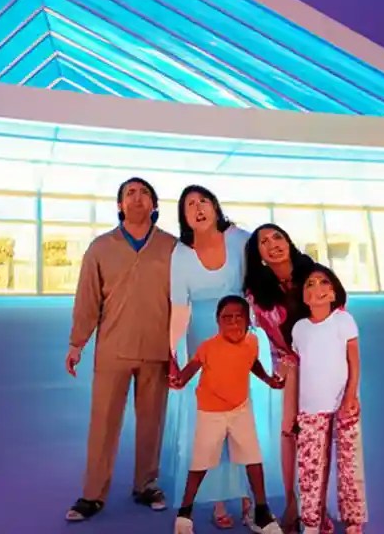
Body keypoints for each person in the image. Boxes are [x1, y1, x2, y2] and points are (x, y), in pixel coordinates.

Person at [65, 177, 177, 522]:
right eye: (130, 193)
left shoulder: (173, 248)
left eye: (145, 193)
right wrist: (76, 343)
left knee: (151, 423)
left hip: (159, 350)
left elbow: (183, 300)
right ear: (119, 205)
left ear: (155, 205)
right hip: (113, 348)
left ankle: (146, 484)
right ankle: (92, 494)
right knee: (103, 423)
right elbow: (87, 300)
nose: (138, 198)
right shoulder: (100, 248)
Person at [164, 185, 260, 529]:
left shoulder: (241, 240)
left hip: (239, 336)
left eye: (203, 200)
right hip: (202, 339)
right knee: (209, 420)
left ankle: (250, 499)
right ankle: (219, 498)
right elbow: (178, 307)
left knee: (243, 416)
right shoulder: (180, 253)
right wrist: (172, 352)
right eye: (190, 204)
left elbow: (267, 266)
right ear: (184, 217)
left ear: (216, 207)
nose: (198, 207)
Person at [169, 295, 288, 534]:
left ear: (247, 320)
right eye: (227, 318)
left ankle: (262, 510)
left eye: (238, 317)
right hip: (210, 412)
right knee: (200, 462)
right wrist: (178, 379)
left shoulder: (252, 342)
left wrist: (267, 379)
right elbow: (189, 371)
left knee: (253, 459)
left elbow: (252, 362)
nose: (233, 323)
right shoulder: (208, 347)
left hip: (240, 409)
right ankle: (185, 512)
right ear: (218, 321)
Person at [243, 223, 317, 531]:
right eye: (264, 241)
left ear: (288, 240)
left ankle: (318, 503)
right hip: (288, 367)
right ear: (258, 254)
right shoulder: (256, 293)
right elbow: (246, 332)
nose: (273, 244)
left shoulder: (314, 274)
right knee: (289, 432)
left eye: (278, 236)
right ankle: (291, 504)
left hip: (324, 366)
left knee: (319, 434)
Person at [291, 265, 367, 534]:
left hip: (344, 403)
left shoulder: (343, 320)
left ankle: (353, 518)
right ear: (303, 296)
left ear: (334, 291)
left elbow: (354, 360)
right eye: (310, 284)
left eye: (324, 282)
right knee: (311, 468)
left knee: (349, 464)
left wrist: (350, 394)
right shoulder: (299, 329)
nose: (317, 288)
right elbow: (301, 367)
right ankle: (312, 521)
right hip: (310, 407)